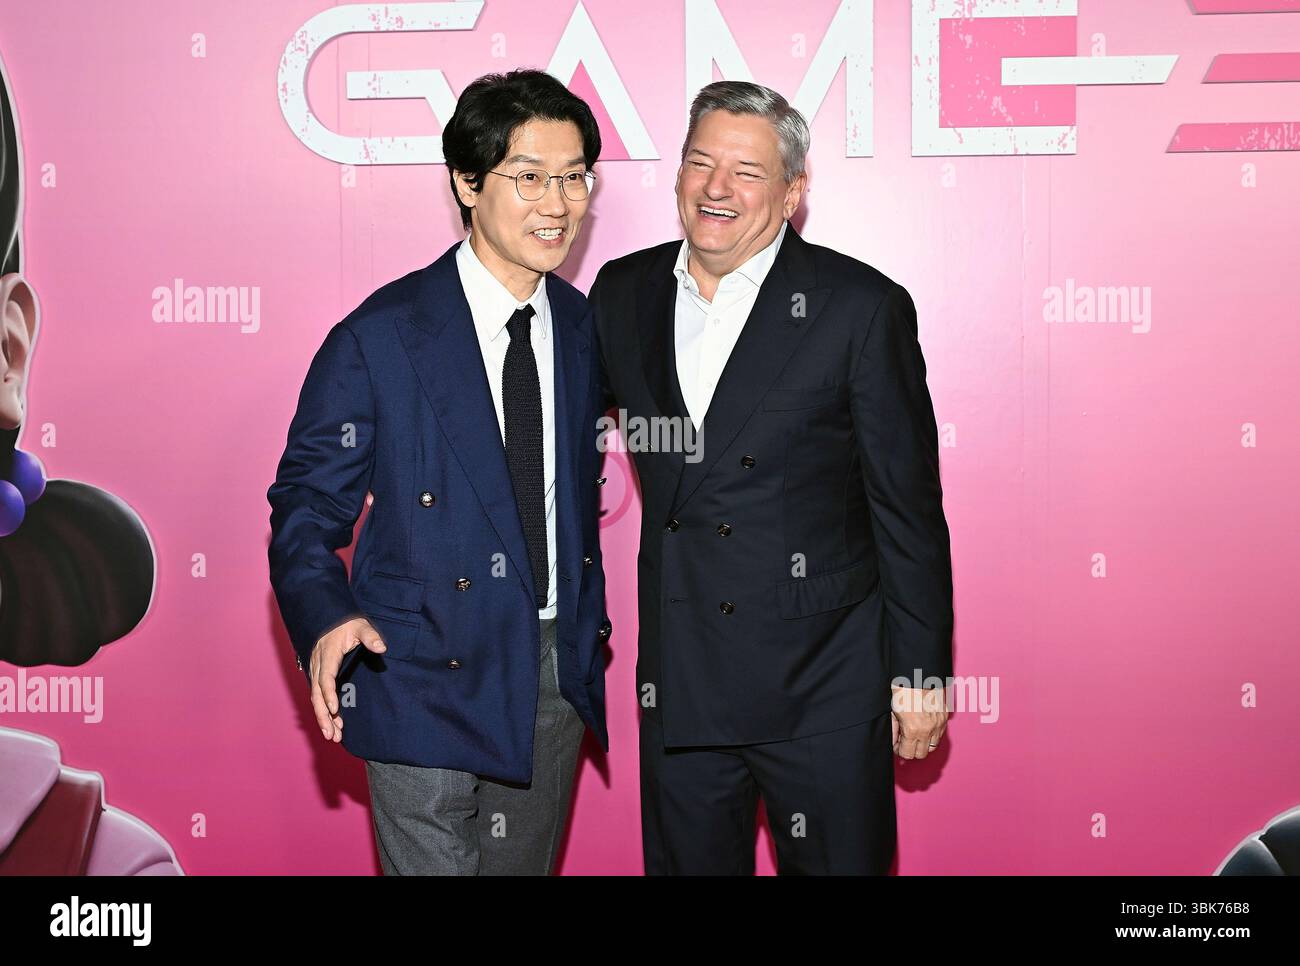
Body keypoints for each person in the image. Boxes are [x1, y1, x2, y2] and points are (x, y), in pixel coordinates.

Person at [589, 80, 954, 875]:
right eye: (699, 163)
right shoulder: (623, 292)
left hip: (822, 683)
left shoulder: (859, 307)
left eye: (747, 172)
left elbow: (908, 512)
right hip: (682, 680)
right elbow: (552, 422)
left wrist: (920, 674)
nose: (717, 188)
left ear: (792, 192)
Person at [267, 69, 610, 875]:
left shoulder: (583, 324)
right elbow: (307, 506)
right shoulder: (382, 335)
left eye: (573, 178)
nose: (556, 205)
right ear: (465, 180)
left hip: (550, 671)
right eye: (528, 177)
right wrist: (326, 615)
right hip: (419, 665)